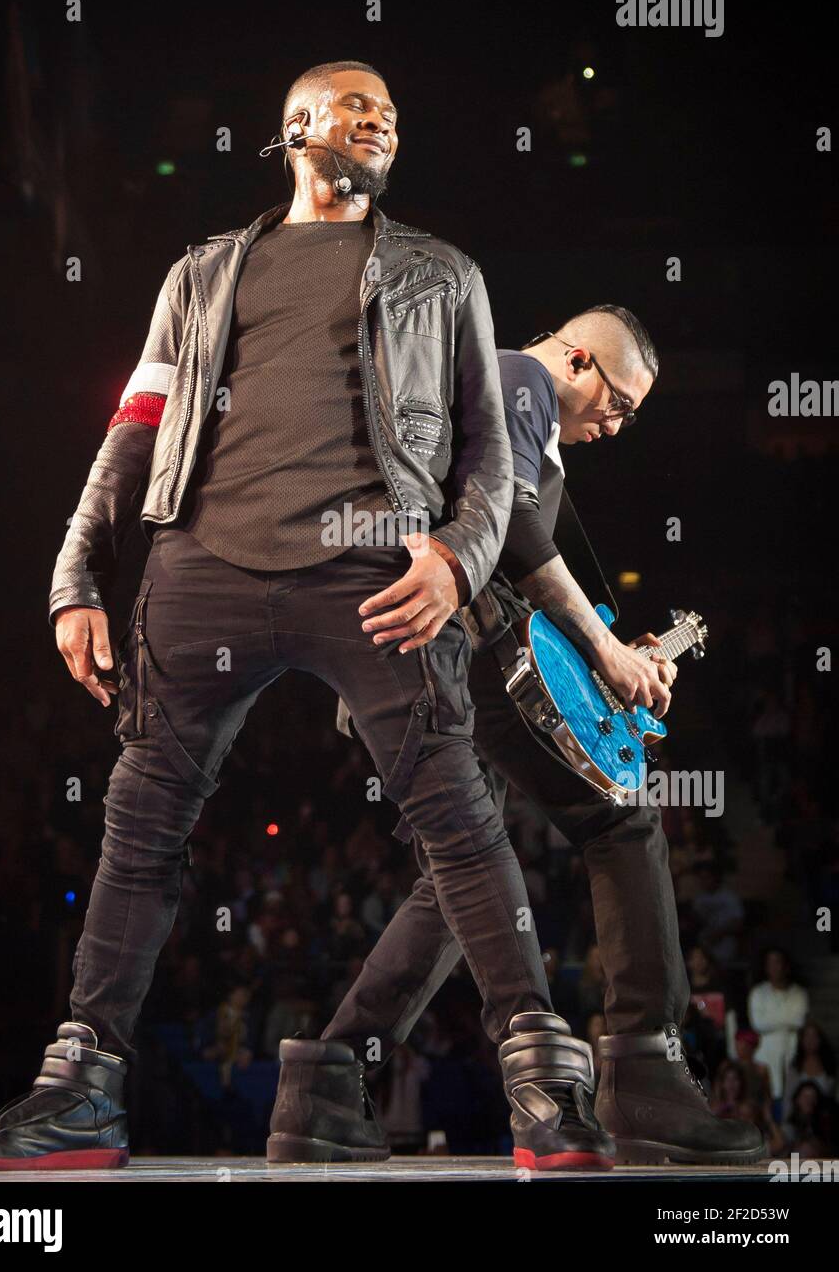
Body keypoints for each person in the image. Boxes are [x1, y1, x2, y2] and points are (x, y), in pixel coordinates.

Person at [0, 60, 613, 1172]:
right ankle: (81, 1091)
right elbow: (130, 436)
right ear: (296, 127)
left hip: (379, 575)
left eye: (393, 112)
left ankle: (543, 1082)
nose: (382, 124)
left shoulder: (444, 275)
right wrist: (74, 573)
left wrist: (455, 553)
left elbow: (491, 454)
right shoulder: (200, 274)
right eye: (359, 107)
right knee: (140, 824)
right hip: (199, 566)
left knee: (457, 817)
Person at [278, 309, 763, 1165]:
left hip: (426, 665)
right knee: (622, 821)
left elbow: (517, 543)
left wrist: (612, 650)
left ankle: (325, 1082)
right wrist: (607, 654)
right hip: (463, 651)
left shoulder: (520, 409)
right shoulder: (518, 379)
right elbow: (512, 527)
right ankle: (644, 1073)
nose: (620, 425)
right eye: (619, 403)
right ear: (579, 359)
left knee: (457, 878)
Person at [748, 947, 809, 1102]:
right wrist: (787, 1021)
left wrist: (773, 1021)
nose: (774, 967)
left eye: (778, 962)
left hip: (792, 1051)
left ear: (786, 966)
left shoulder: (799, 993)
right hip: (766, 1053)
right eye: (770, 963)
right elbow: (758, 1023)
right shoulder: (758, 993)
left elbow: (800, 1021)